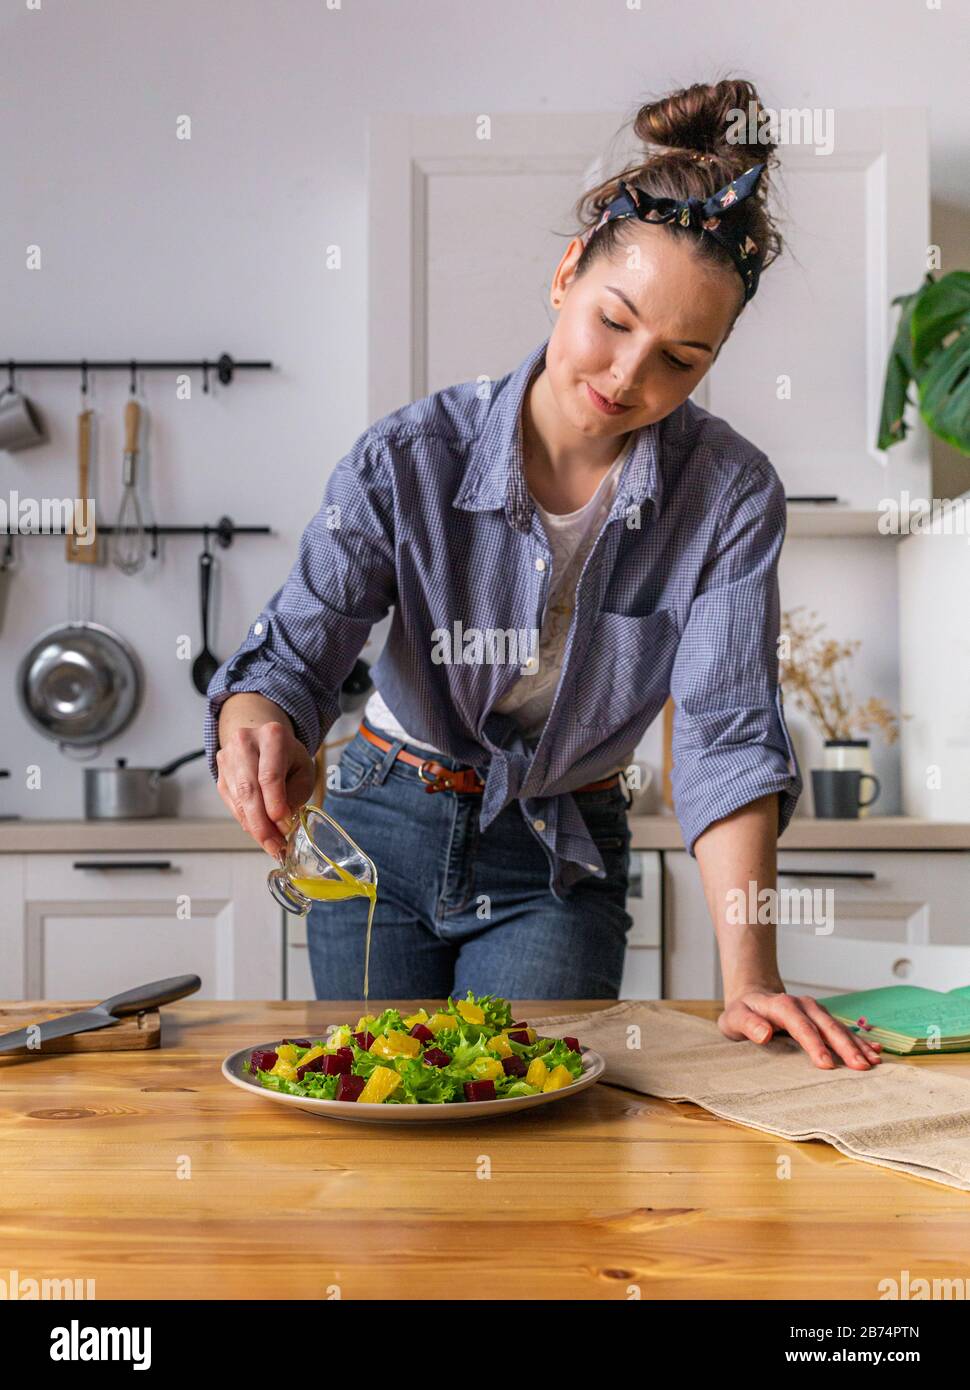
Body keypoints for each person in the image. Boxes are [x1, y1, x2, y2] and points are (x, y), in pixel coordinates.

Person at [205, 78, 881, 1072]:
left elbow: (725, 733)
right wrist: (256, 729)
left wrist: (752, 979)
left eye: (679, 359)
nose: (627, 376)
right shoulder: (407, 456)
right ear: (569, 273)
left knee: (532, 1126)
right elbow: (293, 656)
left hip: (558, 852)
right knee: (378, 1111)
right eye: (614, 320)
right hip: (379, 824)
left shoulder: (729, 495)